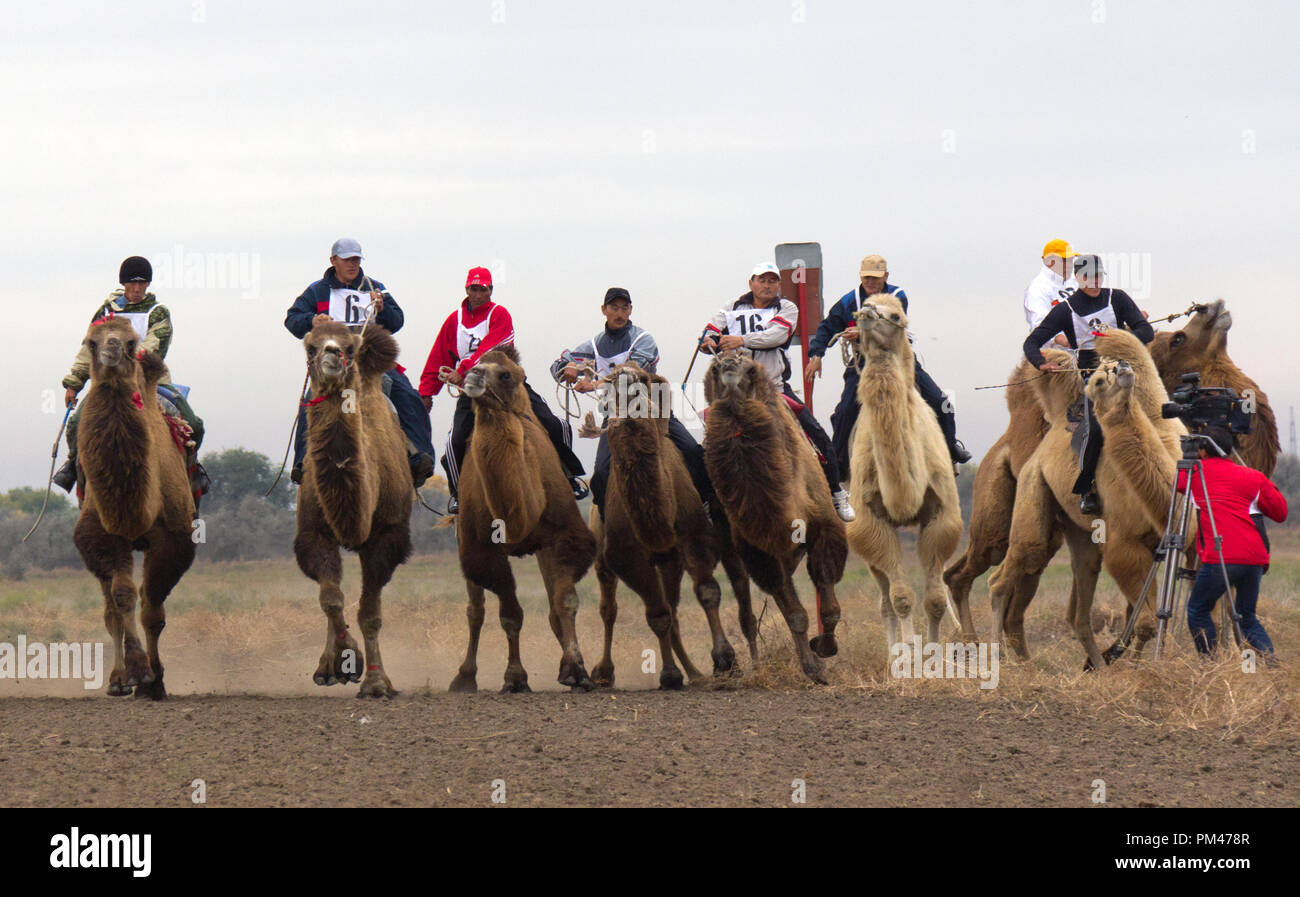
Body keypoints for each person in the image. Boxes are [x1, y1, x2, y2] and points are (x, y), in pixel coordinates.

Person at [419, 266, 587, 514]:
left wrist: (464, 368)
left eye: (483, 289)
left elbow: (492, 349)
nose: (478, 294)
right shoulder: (453, 321)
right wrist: (426, 392)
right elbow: (438, 356)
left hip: (507, 383)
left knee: (556, 425)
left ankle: (568, 477)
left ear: (490, 290)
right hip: (473, 390)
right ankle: (457, 493)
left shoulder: (500, 315)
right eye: (473, 289)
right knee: (453, 440)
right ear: (466, 289)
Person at [700, 262, 854, 523]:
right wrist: (708, 340)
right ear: (752, 283)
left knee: (817, 436)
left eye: (772, 281)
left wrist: (741, 340)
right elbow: (710, 331)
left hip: (773, 388)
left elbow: (778, 335)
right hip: (736, 393)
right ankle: (707, 502)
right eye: (762, 280)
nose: (767, 285)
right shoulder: (731, 306)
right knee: (709, 446)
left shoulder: (786, 308)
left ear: (778, 285)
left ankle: (837, 492)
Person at [284, 238, 435, 487]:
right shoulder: (316, 291)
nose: (352, 265)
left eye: (356, 260)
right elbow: (292, 320)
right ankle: (303, 462)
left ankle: (419, 455)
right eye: (347, 260)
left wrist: (383, 308)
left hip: (370, 359)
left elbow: (397, 321)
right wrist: (312, 320)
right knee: (311, 402)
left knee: (408, 395)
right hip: (334, 361)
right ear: (334, 261)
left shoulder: (376, 287)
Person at [805, 254, 971, 481]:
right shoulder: (848, 301)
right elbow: (826, 327)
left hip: (899, 359)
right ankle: (839, 467)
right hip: (863, 363)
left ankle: (950, 449)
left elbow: (893, 324)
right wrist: (816, 354)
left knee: (941, 401)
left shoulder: (896, 296)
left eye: (875, 277)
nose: (870, 282)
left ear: (885, 276)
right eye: (866, 277)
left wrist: (862, 332)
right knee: (844, 412)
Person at [550, 287, 712, 519]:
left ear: (631, 310)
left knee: (693, 452)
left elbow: (632, 373)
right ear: (604, 310)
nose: (619, 313)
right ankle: (609, 523)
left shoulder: (642, 338)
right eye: (614, 308)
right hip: (615, 414)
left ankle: (705, 507)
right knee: (602, 475)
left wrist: (595, 385)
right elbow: (558, 364)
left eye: (624, 308)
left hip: (654, 410)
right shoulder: (593, 346)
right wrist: (568, 369)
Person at [54, 256, 207, 494]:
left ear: (148, 285)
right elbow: (88, 348)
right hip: (108, 384)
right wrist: (74, 382)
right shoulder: (106, 312)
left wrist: (127, 365)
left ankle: (193, 469)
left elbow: (155, 345)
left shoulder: (157, 312)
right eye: (132, 283)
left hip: (149, 382)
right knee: (76, 423)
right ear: (123, 283)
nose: (136, 289)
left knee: (194, 423)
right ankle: (73, 465)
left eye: (142, 283)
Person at [1022, 253, 1154, 514]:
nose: (1095, 282)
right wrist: (1040, 363)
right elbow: (1032, 342)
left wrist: (1121, 339)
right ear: (1078, 278)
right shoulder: (1064, 310)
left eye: (1098, 276)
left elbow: (1145, 330)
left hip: (1127, 367)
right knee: (1094, 430)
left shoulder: (1117, 297)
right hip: (1095, 379)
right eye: (1089, 277)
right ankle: (1087, 488)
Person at [1178, 426, 1288, 660]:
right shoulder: (1253, 476)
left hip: (1221, 557)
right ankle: (1272, 665)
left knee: (1197, 610)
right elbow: (1280, 512)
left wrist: (1185, 459)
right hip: (1254, 559)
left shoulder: (1195, 475)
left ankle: (1210, 664)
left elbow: (1177, 484)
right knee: (1246, 616)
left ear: (1203, 452)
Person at [1023, 239, 1078, 347]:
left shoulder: (1075, 283)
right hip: (1053, 354)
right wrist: (1066, 341)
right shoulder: (1037, 288)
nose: (1070, 265)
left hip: (1081, 352)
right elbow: (1040, 323)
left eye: (1071, 260)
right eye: (1065, 260)